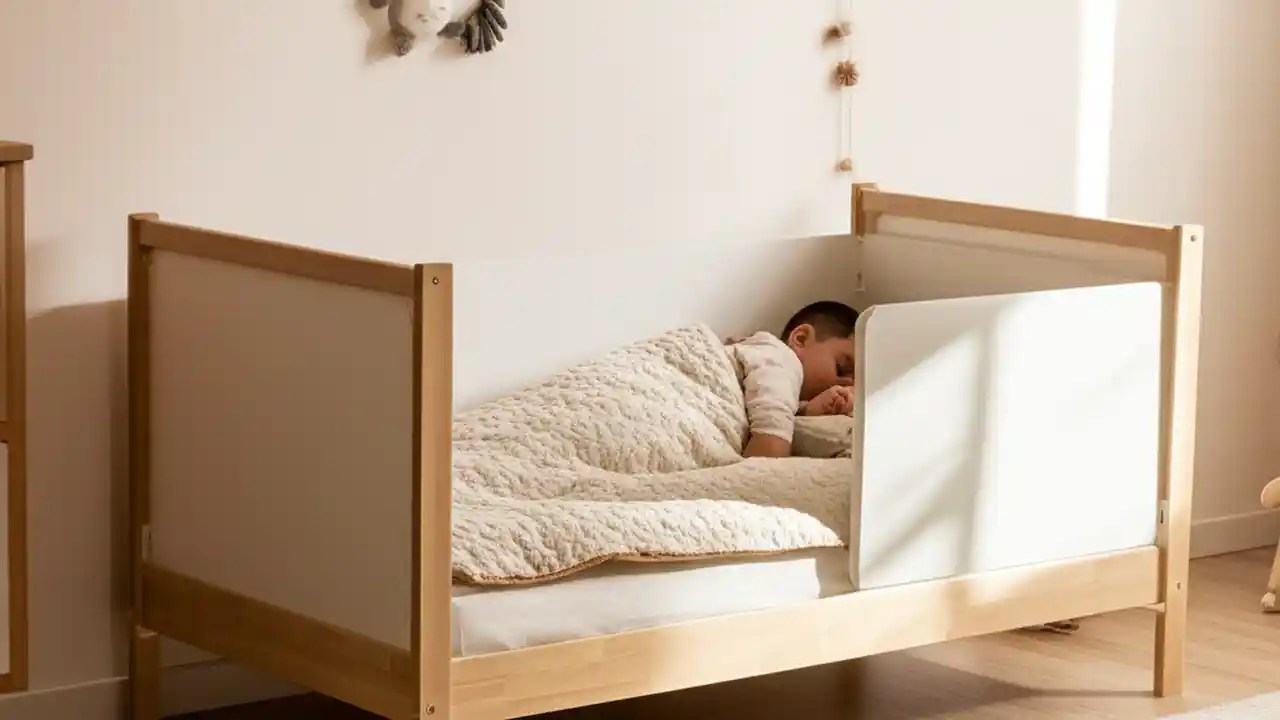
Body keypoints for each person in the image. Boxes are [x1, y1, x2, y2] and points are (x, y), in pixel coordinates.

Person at [724, 301, 859, 458]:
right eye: (842, 368)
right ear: (801, 339)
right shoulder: (779, 356)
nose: (845, 386)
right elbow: (770, 445)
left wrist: (809, 411)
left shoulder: (782, 393)